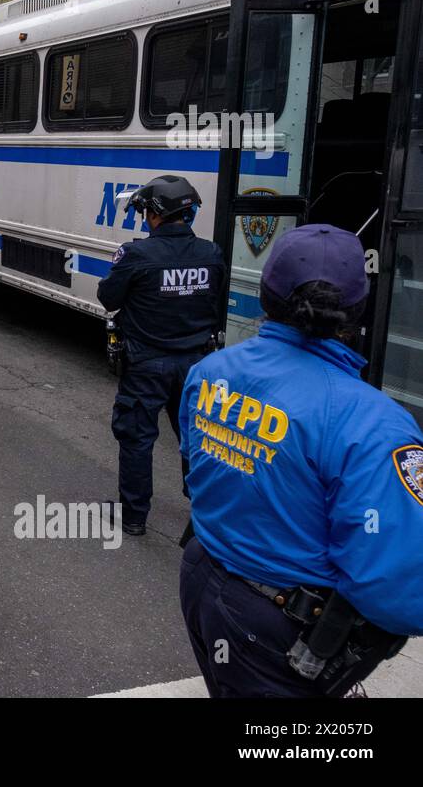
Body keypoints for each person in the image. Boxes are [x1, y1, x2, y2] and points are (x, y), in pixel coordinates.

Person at [179, 224, 423, 697]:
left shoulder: (212, 371)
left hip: (203, 575)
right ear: (355, 310)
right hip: (279, 625)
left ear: (267, 294)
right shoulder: (374, 423)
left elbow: (195, 472)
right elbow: (394, 579)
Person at [96, 175, 224, 537]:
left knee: (137, 438)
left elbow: (109, 298)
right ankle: (203, 519)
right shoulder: (211, 254)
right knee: (196, 438)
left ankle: (134, 515)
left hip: (146, 363)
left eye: (144, 212)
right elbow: (213, 305)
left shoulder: (136, 254)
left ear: (155, 214)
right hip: (197, 364)